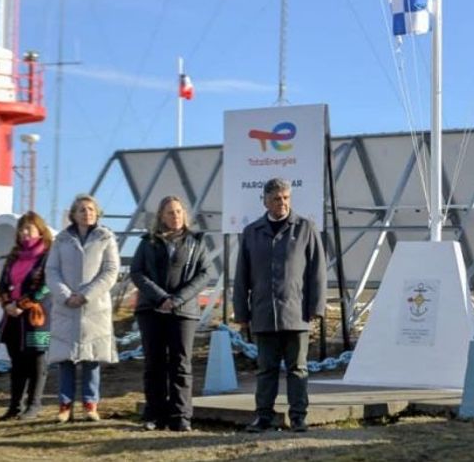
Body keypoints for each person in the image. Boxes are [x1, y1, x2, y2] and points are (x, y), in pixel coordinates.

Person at [233, 178, 326, 434]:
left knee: (298, 368)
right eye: (276, 198)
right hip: (263, 313)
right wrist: (241, 312)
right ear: (264, 200)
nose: (282, 203)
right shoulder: (252, 232)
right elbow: (242, 275)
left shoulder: (306, 228)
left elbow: (317, 271)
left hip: (297, 313)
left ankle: (298, 417)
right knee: (266, 370)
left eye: (286, 198)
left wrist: (316, 307)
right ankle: (264, 416)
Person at [129, 195, 215, 432]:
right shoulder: (148, 242)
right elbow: (137, 272)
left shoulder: (196, 242)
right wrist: (161, 297)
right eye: (170, 212)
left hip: (183, 312)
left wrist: (177, 299)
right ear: (161, 216)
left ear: (184, 214)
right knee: (154, 364)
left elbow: (205, 273)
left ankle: (180, 417)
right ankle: (155, 415)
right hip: (151, 310)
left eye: (178, 212)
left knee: (180, 364)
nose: (175, 216)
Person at [46, 194, 119, 423]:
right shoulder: (61, 240)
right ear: (73, 214)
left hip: (94, 307)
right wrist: (66, 295)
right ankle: (65, 405)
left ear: (97, 212)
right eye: (81, 210)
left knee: (91, 358)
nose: (86, 213)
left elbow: (110, 270)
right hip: (66, 307)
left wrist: (86, 295)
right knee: (66, 359)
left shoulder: (105, 237)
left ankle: (90, 404)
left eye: (90, 209)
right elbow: (52, 270)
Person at [0, 211, 53, 421]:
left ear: (39, 230)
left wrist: (22, 304)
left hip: (37, 318)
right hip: (12, 317)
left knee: (37, 362)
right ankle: (14, 405)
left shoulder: (47, 256)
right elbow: (3, 284)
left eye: (29, 228)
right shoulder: (13, 257)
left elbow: (45, 286)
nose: (25, 233)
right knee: (17, 364)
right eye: (22, 229)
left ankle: (34, 405)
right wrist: (7, 303)